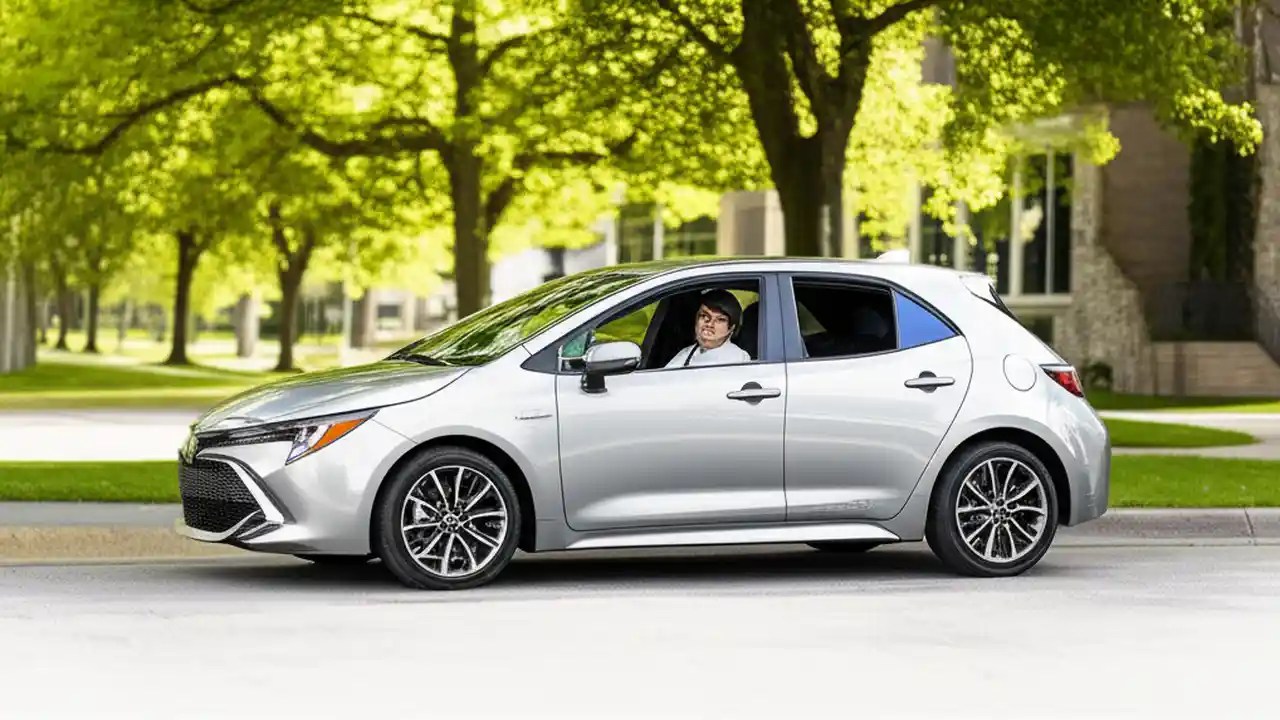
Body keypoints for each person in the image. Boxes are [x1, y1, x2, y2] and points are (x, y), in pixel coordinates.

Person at [665, 289, 752, 368]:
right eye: (704, 316)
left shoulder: (739, 359)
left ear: (731, 328)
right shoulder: (686, 353)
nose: (710, 324)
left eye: (720, 320)